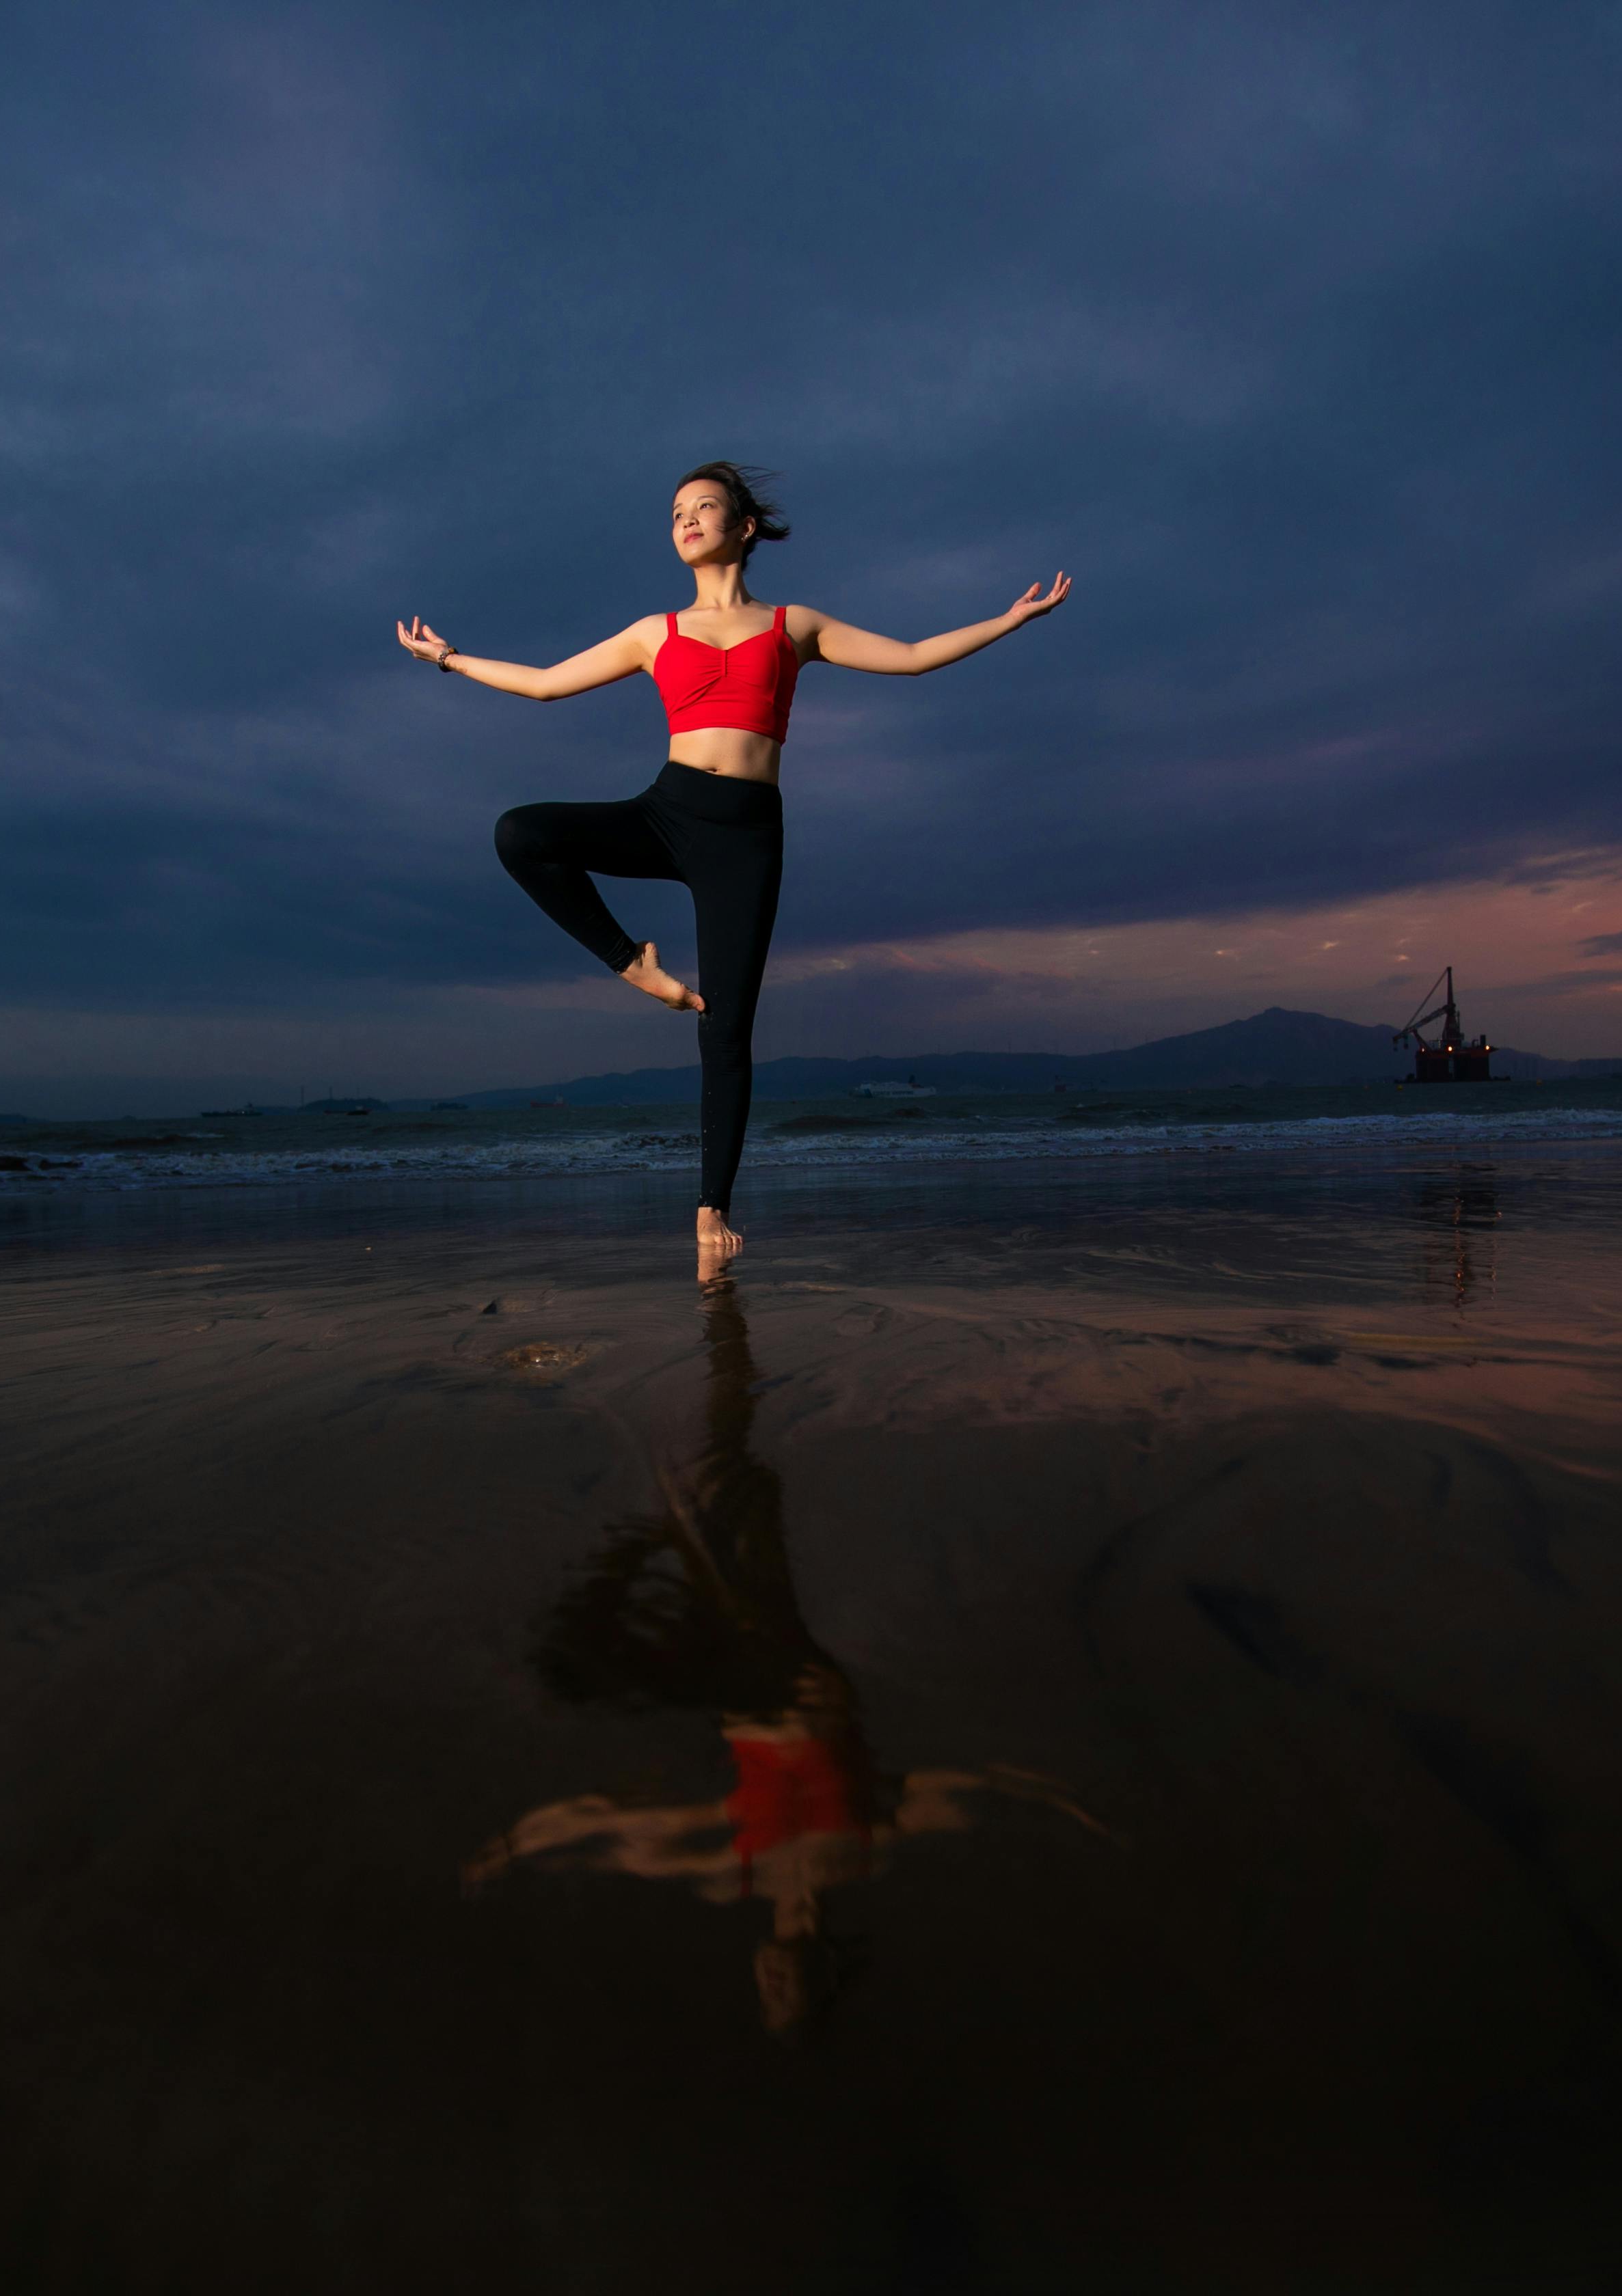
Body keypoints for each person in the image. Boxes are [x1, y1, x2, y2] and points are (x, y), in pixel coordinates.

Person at [397, 463, 1069, 1276]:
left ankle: (711, 1209)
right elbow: (545, 685)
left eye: (703, 507)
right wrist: (450, 660)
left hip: (745, 837)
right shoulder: (655, 633)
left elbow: (917, 656)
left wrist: (1009, 620)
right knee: (520, 834)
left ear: (744, 526)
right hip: (666, 811)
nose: (686, 520)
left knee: (727, 1029)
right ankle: (630, 963)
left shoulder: (795, 625)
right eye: (676, 511)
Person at [463, 1279, 1105, 2037]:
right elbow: (965, 1791)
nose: (771, 1977)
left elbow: (635, 1831)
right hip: (792, 1665)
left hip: (745, 1682)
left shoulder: (734, 1874)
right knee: (719, 1527)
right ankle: (702, 1439)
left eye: (765, 1988)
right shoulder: (866, 1852)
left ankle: (681, 1448)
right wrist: (1063, 1803)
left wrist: (524, 1839)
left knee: (701, 1540)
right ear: (823, 1970)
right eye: (785, 1991)